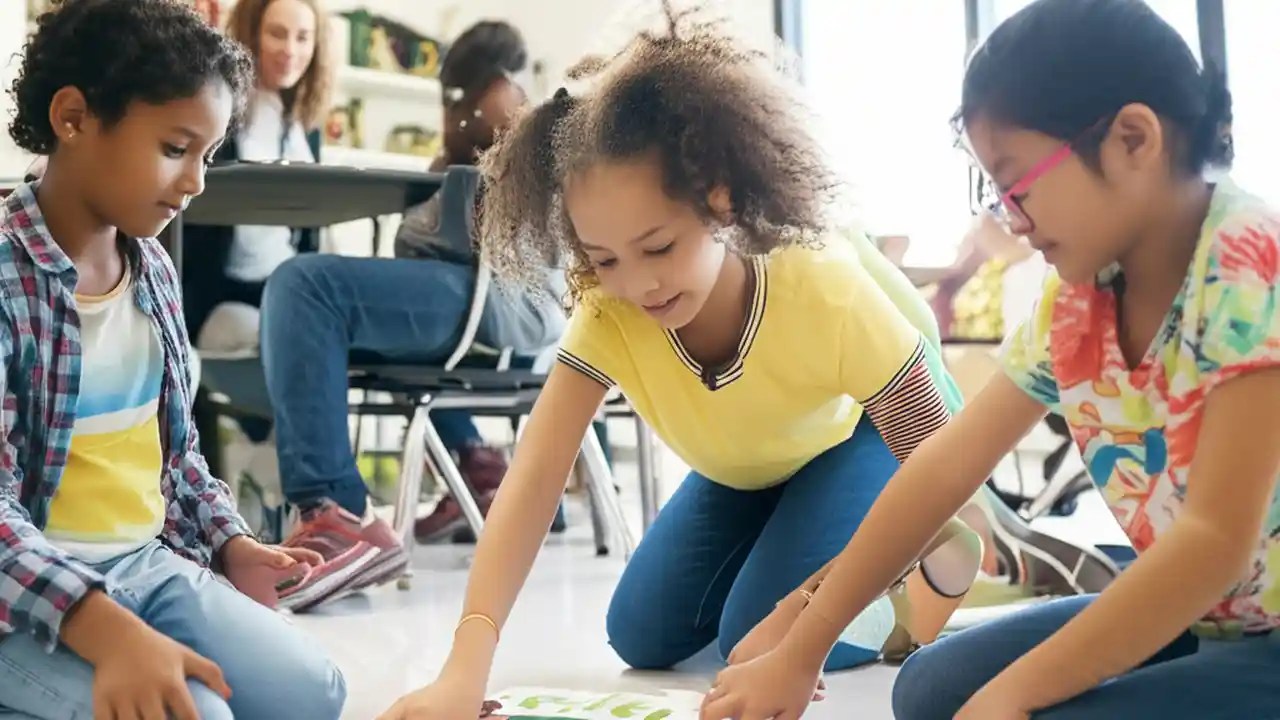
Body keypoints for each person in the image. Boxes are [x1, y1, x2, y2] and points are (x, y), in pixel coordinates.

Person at [377, 8, 986, 719]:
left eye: (659, 248)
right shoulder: (608, 309)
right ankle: (796, 557)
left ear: (718, 199)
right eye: (603, 259)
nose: (639, 285)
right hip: (747, 469)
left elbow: (945, 470)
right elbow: (536, 477)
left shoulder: (818, 283)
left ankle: (917, 595)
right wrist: (463, 668)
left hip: (858, 445)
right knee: (639, 632)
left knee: (750, 637)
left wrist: (802, 612)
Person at [702, 1, 1280, 719]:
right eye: (995, 193)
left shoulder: (1249, 261)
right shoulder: (1079, 297)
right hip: (1203, 620)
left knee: (1021, 708)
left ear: (1134, 139)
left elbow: (1215, 544)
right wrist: (803, 642)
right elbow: (945, 465)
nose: (1010, 219)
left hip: (1259, 632)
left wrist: (1012, 695)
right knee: (931, 689)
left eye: (1018, 186)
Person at [0, 1, 345, 718]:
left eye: (208, 155)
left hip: (144, 567)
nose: (196, 183)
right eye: (175, 147)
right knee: (199, 715)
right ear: (73, 119)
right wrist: (105, 629)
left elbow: (176, 455)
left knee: (315, 692)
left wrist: (229, 544)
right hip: (24, 602)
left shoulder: (152, 269)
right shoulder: (6, 278)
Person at [258, 20, 566, 610]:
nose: (455, 108)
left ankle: (337, 511)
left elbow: (479, 235)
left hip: (499, 301)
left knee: (304, 286)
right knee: (314, 308)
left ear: (495, 83)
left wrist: (478, 132)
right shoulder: (469, 150)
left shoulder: (525, 129)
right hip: (488, 301)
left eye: (460, 93)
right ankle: (477, 463)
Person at [182, 0, 331, 351]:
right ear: (252, 34)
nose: (290, 50)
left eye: (303, 37)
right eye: (277, 34)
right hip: (220, 294)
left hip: (283, 287)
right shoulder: (220, 110)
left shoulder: (305, 126)